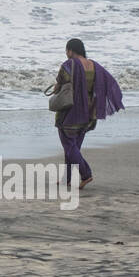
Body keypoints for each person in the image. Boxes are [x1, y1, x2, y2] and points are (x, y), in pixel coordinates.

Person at [53, 38, 124, 188]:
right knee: (74, 147)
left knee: (69, 146)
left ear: (71, 50)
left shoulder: (69, 65)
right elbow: (110, 82)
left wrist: (56, 89)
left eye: (67, 50)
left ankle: (86, 174)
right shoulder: (95, 66)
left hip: (71, 112)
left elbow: (59, 82)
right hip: (88, 113)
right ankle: (67, 178)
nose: (66, 53)